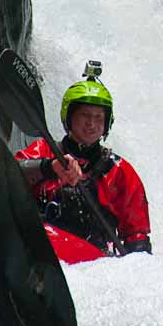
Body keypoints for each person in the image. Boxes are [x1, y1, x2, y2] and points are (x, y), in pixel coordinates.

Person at [14, 64, 151, 255]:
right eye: (85, 115)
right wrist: (48, 168)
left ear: (107, 123)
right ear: (69, 118)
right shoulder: (43, 151)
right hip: (44, 249)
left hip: (91, 262)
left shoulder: (120, 172)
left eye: (98, 117)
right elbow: (7, 176)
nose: (92, 124)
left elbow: (138, 239)